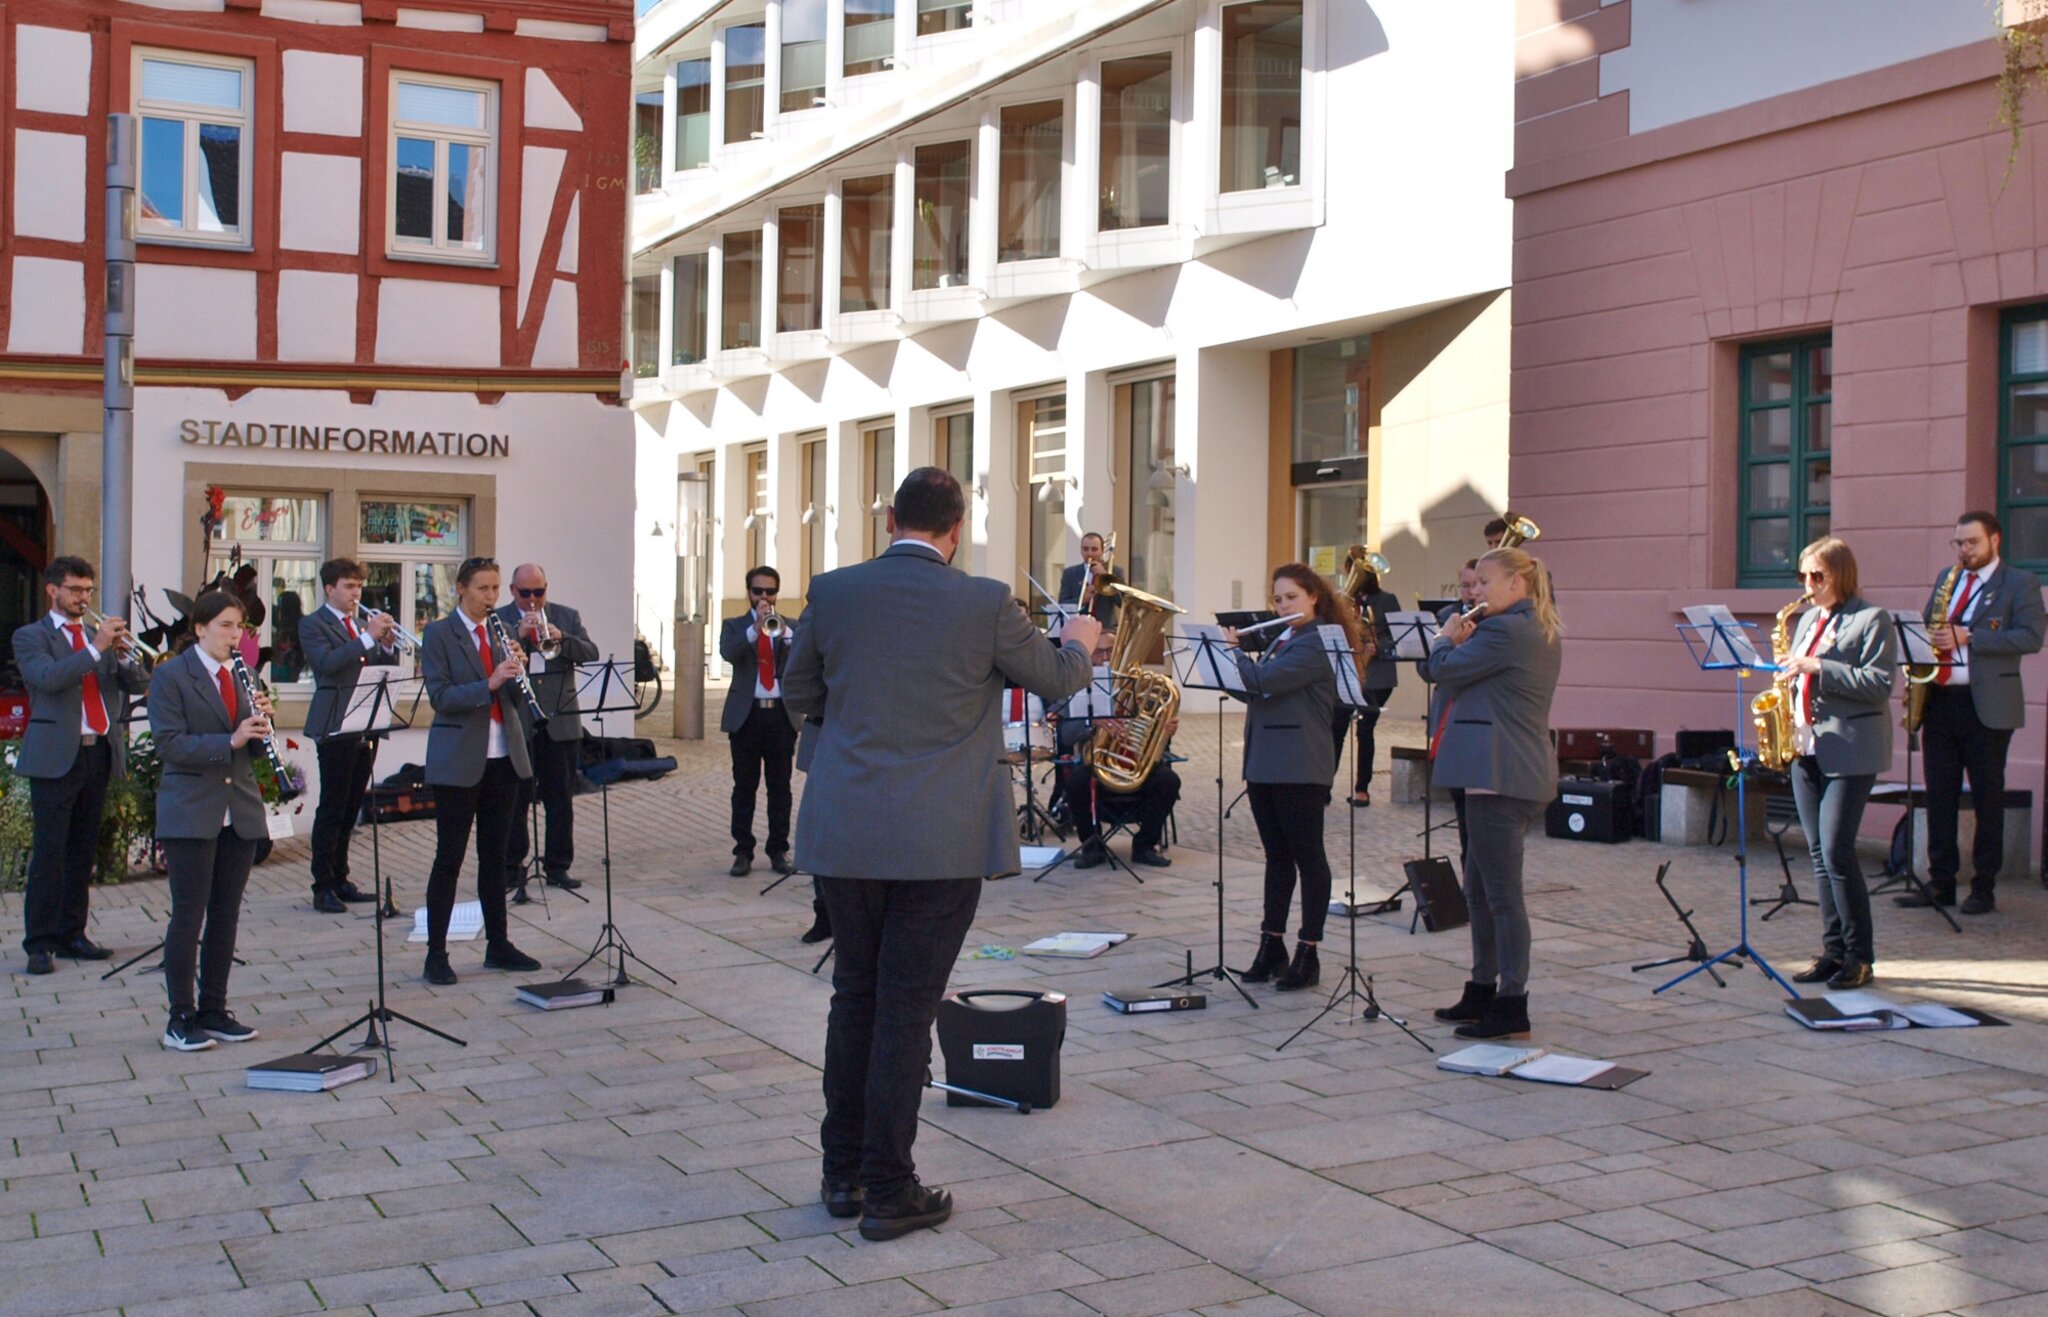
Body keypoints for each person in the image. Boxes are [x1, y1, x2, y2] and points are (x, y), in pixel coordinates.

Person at [785, 467, 1096, 1243]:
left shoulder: (832, 590)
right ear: (956, 530)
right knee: (905, 1007)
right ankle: (890, 1186)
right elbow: (1056, 679)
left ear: (890, 518)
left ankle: (842, 1171)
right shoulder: (985, 600)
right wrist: (1083, 642)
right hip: (940, 835)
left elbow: (799, 691)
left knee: (854, 995)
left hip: (847, 829)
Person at [1426, 546, 1563, 1041]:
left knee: (1501, 897)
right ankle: (1483, 986)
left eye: (1485, 583)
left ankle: (1512, 1002)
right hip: (1499, 768)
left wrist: (1445, 640)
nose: (1475, 592)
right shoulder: (1524, 627)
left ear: (1517, 585)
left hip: (1500, 773)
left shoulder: (1508, 631)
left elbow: (1441, 670)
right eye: (1474, 584)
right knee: (1478, 891)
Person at [14, 556, 151, 976]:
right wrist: (97, 648)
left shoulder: (98, 637)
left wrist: (127, 659)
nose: (82, 598)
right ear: (52, 590)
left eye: (88, 591)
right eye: (75, 590)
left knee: (81, 852)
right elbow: (50, 678)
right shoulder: (30, 636)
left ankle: (73, 934)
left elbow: (138, 684)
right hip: (56, 756)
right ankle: (39, 943)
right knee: (50, 853)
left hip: (98, 753)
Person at [150, 591, 273, 1051]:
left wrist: (262, 727)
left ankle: (214, 1008)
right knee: (189, 914)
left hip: (237, 808)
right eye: (225, 626)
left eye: (238, 627)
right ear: (199, 628)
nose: (234, 635)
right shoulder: (171, 676)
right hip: (191, 808)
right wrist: (232, 737)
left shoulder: (242, 674)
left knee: (226, 913)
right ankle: (180, 1016)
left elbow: (249, 746)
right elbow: (169, 744)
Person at [1904, 512, 2044, 915]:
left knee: (1987, 796)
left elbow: (2031, 637)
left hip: (1987, 705)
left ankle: (1984, 886)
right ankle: (1940, 882)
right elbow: (1931, 624)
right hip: (1941, 700)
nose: (1965, 551)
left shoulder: (2019, 583)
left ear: (1994, 541)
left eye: (1972, 543)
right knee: (1940, 796)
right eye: (1959, 543)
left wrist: (1971, 636)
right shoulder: (1950, 579)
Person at [1223, 564, 1351, 993]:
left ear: (1314, 597)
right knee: (1276, 857)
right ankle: (1271, 945)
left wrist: (1234, 654)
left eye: (1291, 598)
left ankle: (1308, 951)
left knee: (1308, 856)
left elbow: (1264, 679)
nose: (1283, 606)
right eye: (1277, 600)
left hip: (1299, 763)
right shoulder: (1284, 638)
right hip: (1264, 760)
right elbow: (1250, 689)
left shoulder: (1317, 642)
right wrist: (1231, 666)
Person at [418, 557, 543, 986]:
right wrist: (489, 682)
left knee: (497, 855)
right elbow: (440, 696)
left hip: (503, 754)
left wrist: (516, 671)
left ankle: (499, 945)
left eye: (494, 589)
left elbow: (508, 694)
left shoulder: (502, 631)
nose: (491, 597)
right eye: (483, 589)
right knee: (449, 857)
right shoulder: (438, 634)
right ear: (461, 589)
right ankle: (436, 953)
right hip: (458, 758)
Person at [1780, 538, 1898, 991]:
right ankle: (1832, 951)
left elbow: (1879, 683)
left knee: (1837, 851)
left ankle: (1859, 956)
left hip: (1851, 747)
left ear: (1840, 575)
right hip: (1807, 746)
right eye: (1803, 576)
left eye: (1818, 576)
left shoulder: (1871, 619)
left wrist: (1815, 666)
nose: (1808, 585)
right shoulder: (1807, 618)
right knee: (1817, 854)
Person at [496, 562, 600, 902]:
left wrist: (562, 638)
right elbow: (493, 661)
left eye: (538, 592)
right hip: (521, 722)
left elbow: (590, 652)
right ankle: (512, 867)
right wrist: (519, 637)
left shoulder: (566, 616)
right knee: (515, 800)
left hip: (560, 722)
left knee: (560, 797)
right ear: (513, 591)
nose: (532, 600)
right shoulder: (500, 620)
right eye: (525, 593)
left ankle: (558, 866)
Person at [301, 558, 401, 913]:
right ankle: (322, 884)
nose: (355, 593)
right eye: (348, 586)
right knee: (332, 806)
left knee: (351, 806)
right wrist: (367, 637)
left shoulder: (362, 625)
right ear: (330, 589)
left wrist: (386, 645)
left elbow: (378, 668)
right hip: (333, 724)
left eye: (358, 586)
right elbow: (328, 664)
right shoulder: (313, 624)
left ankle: (341, 877)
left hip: (365, 722)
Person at [1055, 628, 1181, 869]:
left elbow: (1159, 740)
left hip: (1138, 766)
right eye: (1098, 652)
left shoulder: (1142, 687)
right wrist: (1091, 721)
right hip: (1099, 767)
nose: (1104, 658)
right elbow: (1067, 735)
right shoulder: (1079, 685)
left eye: (1110, 652)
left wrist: (1165, 731)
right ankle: (1092, 847)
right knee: (1076, 783)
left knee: (1169, 781)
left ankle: (1144, 846)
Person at [720, 565, 801, 879]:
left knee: (780, 786)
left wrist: (785, 632)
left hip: (780, 714)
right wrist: (755, 628)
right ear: (749, 593)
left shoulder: (789, 626)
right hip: (747, 715)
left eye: (770, 591)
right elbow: (729, 653)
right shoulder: (735, 625)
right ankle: (742, 851)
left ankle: (778, 849)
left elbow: (804, 655)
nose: (764, 597)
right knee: (744, 786)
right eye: (758, 592)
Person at [1337, 567, 1399, 807]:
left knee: (1365, 730)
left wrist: (1379, 647)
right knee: (1336, 727)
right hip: (1349, 671)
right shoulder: (1343, 600)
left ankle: (1362, 789)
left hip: (1377, 675)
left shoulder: (1386, 600)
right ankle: (1325, 787)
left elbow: (1397, 634)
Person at [1434, 560, 1483, 862]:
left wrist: (1451, 646)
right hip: (1447, 717)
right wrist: (1445, 640)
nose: (1470, 593)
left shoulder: (1492, 624)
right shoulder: (1446, 616)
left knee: (1477, 811)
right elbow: (1429, 669)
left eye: (1477, 585)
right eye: (1465, 586)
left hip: (1475, 723)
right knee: (1458, 800)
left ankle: (1474, 878)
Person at [1057, 531, 1120, 625]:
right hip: (1079, 627)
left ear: (1102, 551)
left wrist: (1105, 576)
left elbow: (1122, 602)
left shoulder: (1116, 572)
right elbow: (1062, 604)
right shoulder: (1069, 573)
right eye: (1085, 549)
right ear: (1081, 550)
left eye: (1094, 549)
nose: (1089, 553)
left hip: (1106, 628)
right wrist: (1082, 600)